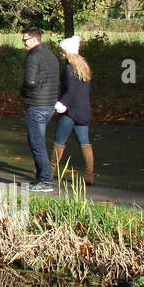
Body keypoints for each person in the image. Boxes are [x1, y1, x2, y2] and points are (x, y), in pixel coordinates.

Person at [20, 26, 60, 192]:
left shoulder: (33, 57)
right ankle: (41, 178)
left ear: (35, 40)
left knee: (37, 143)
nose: (23, 43)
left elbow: (30, 81)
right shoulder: (51, 56)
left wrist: (23, 92)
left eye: (25, 40)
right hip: (50, 103)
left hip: (37, 104)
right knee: (38, 141)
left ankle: (45, 180)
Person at [53, 35, 95, 186]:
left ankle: (49, 172)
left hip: (70, 112)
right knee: (85, 143)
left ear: (67, 53)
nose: (60, 54)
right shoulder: (84, 67)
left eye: (62, 52)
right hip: (84, 111)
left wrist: (61, 104)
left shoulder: (68, 69)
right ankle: (89, 175)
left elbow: (69, 91)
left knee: (59, 142)